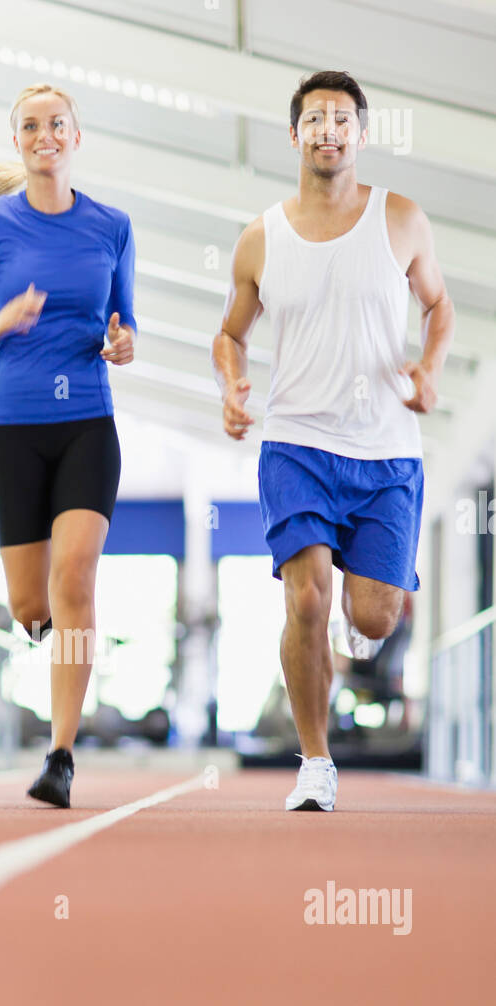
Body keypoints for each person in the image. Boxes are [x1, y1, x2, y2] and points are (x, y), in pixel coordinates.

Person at [211, 69, 454, 810]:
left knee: (373, 614)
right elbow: (229, 333)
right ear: (294, 136)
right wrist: (232, 384)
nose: (327, 129)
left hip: (386, 453)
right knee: (307, 600)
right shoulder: (263, 236)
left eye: (341, 119)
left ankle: (363, 622)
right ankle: (314, 762)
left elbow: (439, 307)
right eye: (314, 119)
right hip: (298, 443)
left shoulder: (402, 218)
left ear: (360, 134)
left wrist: (430, 371)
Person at [0, 84, 137, 808]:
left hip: (87, 425)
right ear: (17, 141)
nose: (44, 135)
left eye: (57, 125)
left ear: (76, 137)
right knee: (30, 605)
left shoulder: (112, 226)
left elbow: (126, 323)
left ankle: (61, 755)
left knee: (75, 583)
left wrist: (122, 342)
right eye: (30, 126)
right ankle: (41, 622)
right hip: (12, 433)